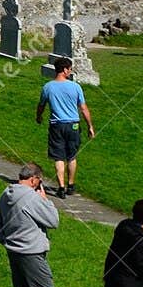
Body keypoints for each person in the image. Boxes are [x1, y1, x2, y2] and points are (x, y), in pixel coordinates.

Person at [36, 56, 95, 197]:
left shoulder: (48, 87)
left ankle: (61, 187)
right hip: (73, 125)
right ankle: (71, 185)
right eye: (69, 69)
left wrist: (38, 116)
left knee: (58, 157)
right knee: (72, 156)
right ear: (64, 70)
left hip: (57, 125)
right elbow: (83, 108)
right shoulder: (75, 87)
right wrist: (90, 126)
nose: (70, 71)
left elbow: (41, 105)